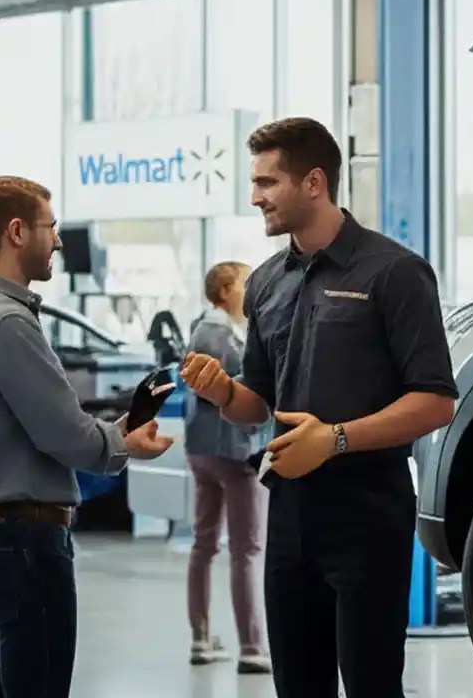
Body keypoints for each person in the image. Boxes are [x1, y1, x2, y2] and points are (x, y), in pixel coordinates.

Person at [181, 117, 458, 698]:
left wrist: (333, 439)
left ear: (313, 182)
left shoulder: (395, 273)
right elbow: (257, 402)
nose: (254, 197)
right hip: (287, 511)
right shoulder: (264, 284)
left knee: (371, 684)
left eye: (266, 182)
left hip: (368, 511)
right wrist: (222, 392)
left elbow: (436, 401)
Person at [0, 175, 175, 698]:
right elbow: (67, 436)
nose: (60, 241)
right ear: (17, 231)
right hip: (23, 542)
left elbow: (39, 429)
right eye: (52, 227)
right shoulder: (6, 323)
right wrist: (119, 446)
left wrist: (118, 433)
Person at [183, 260, 273, 672]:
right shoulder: (218, 334)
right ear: (224, 289)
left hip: (205, 451)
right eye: (244, 282)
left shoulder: (213, 329)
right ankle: (252, 647)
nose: (251, 289)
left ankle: (202, 638)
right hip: (234, 453)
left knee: (205, 543)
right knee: (247, 550)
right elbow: (238, 391)